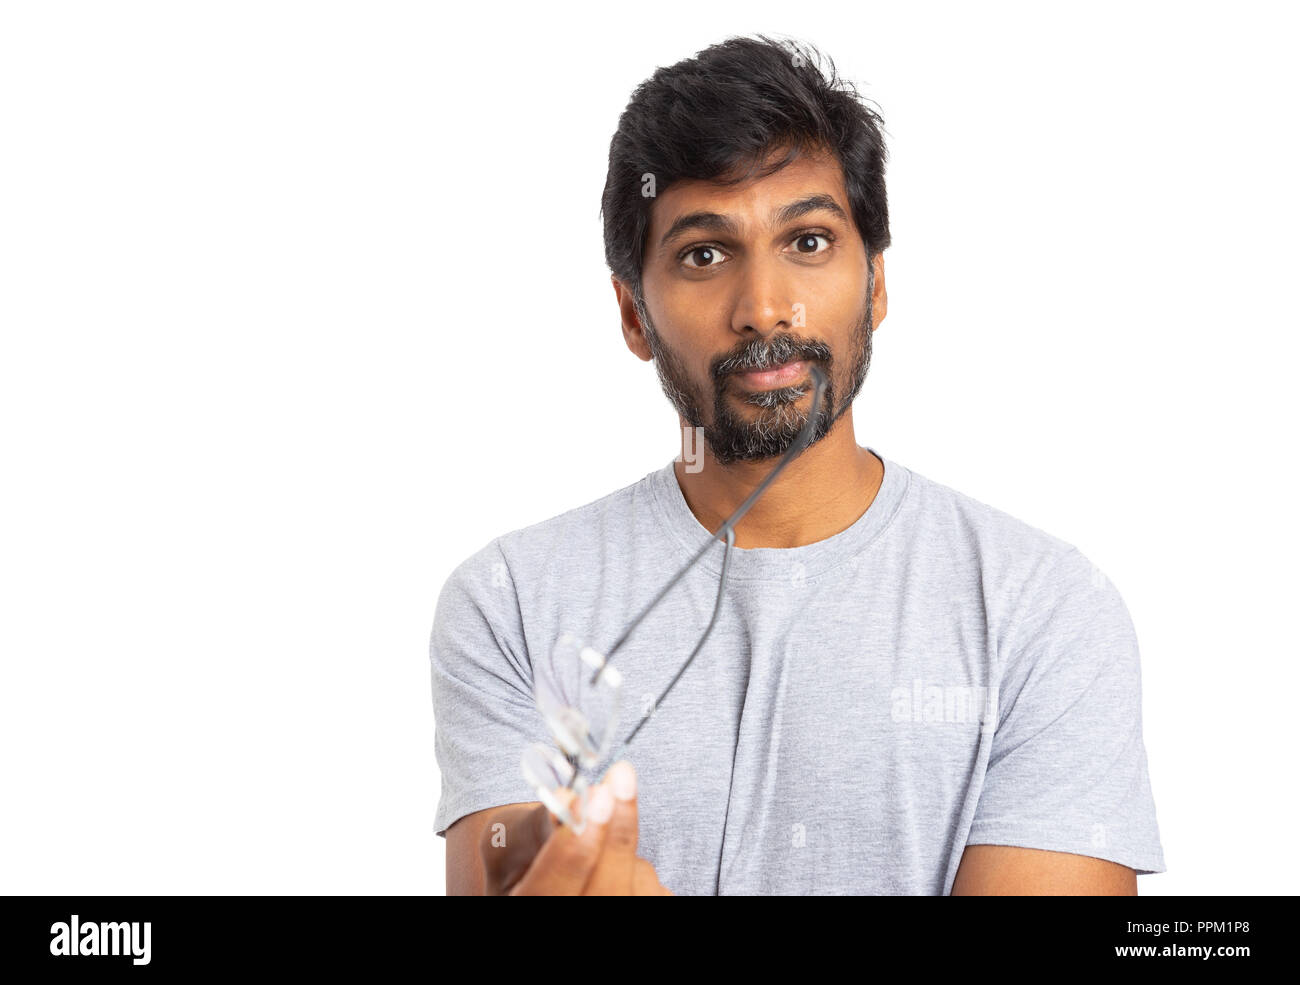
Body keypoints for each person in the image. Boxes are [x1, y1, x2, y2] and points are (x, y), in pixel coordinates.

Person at [430, 33, 1165, 895]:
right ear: (634, 314)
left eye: (809, 242)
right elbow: (504, 870)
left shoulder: (1043, 610)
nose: (764, 307)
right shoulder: (511, 601)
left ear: (876, 283)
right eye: (703, 254)